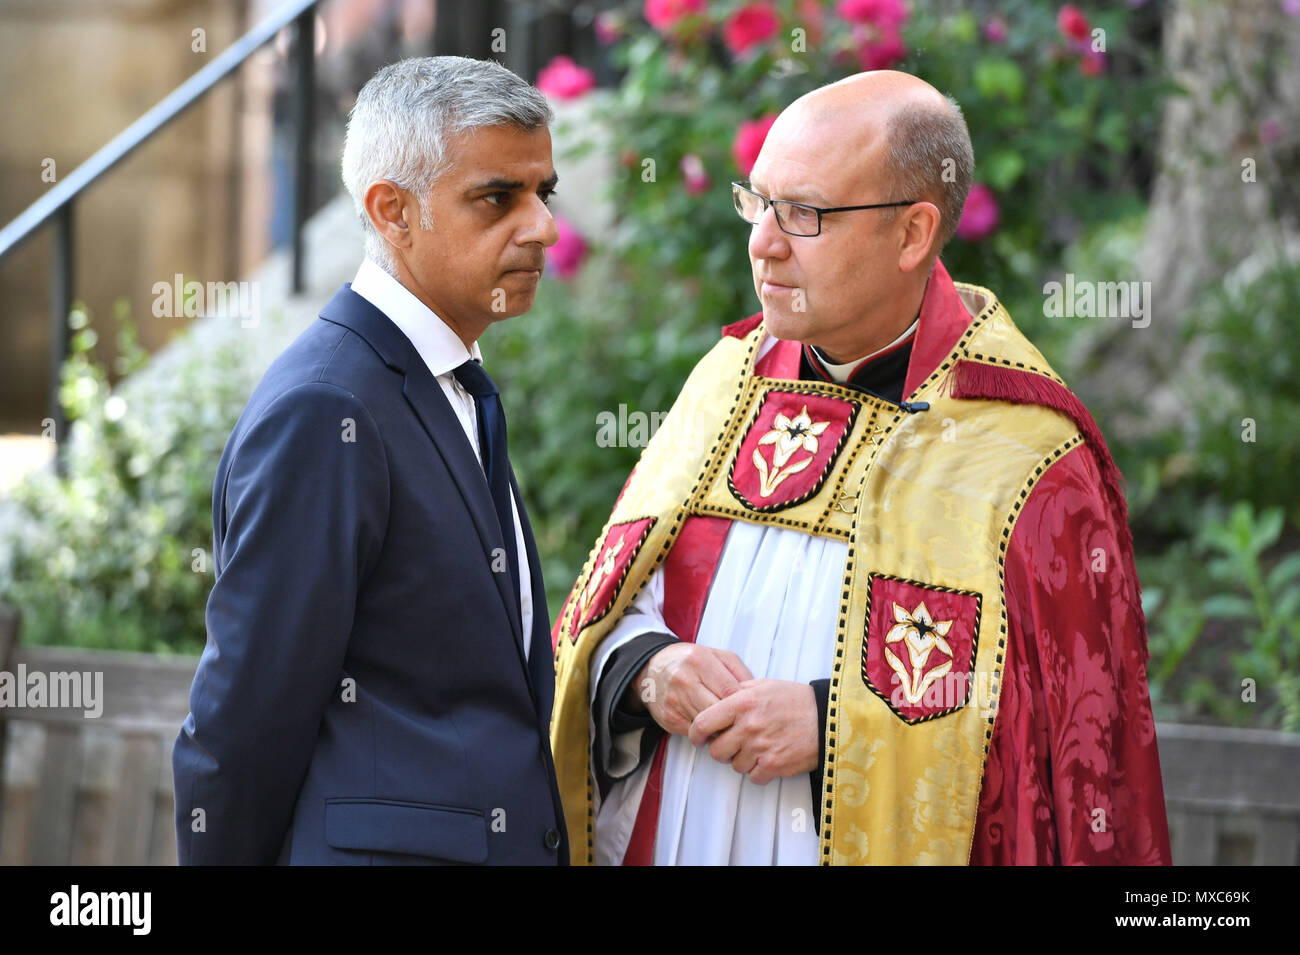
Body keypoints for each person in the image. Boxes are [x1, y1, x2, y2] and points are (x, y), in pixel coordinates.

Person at [549, 70, 1172, 866]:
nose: (761, 242)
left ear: (913, 233)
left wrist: (836, 724)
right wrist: (647, 670)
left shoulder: (1027, 455)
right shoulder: (725, 382)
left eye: (802, 213)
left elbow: (1069, 745)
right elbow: (604, 611)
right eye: (757, 202)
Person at [173, 56, 568, 864]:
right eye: (499, 197)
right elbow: (243, 720)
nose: (542, 227)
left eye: (544, 193)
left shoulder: (448, 381)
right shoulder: (329, 407)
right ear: (392, 212)